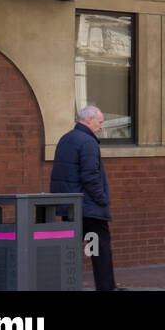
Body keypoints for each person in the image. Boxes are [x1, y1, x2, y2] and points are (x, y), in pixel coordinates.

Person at [50, 105, 117, 290]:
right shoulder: (88, 142)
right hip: (89, 210)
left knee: (69, 251)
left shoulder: (66, 139)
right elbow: (90, 176)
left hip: (69, 207)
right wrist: (102, 199)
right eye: (100, 122)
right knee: (99, 251)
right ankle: (106, 287)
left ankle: (63, 285)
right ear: (88, 119)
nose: (102, 126)